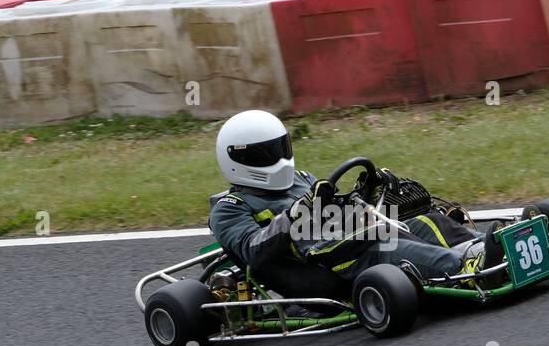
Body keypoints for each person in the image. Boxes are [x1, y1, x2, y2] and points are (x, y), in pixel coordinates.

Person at [208, 109, 503, 294]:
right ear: (240, 158)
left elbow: (335, 208)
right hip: (320, 265)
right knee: (391, 246)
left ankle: (489, 245)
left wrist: (367, 193)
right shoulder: (230, 209)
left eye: (280, 147)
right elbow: (252, 251)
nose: (279, 158)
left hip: (348, 237)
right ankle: (468, 270)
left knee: (427, 221)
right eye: (266, 153)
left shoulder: (301, 179)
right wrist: (298, 213)